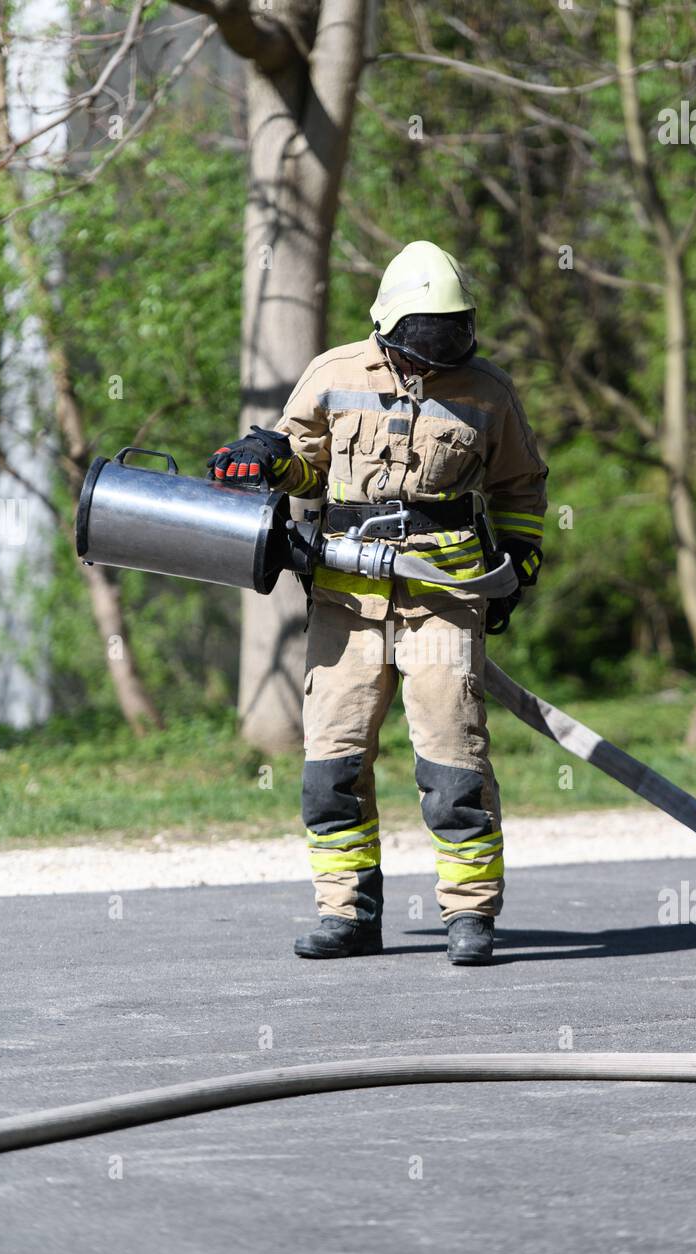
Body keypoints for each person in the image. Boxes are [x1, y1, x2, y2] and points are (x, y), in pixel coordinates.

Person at [210, 241, 546, 965]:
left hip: (445, 600)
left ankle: (470, 917)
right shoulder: (332, 375)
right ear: (389, 326)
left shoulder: (488, 391)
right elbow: (304, 470)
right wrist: (267, 461)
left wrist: (519, 563)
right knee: (332, 763)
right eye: (422, 341)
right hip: (346, 602)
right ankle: (348, 912)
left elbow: (521, 487)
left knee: (454, 761)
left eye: (449, 337)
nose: (434, 356)